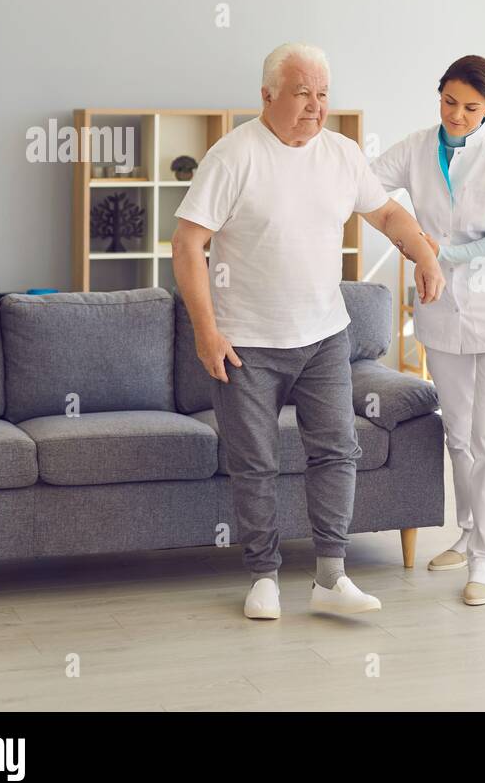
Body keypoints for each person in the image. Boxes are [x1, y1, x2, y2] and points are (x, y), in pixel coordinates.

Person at [172, 42, 445, 620]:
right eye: (301, 93)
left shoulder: (342, 155)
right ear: (268, 95)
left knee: (336, 452)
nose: (314, 106)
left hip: (323, 337)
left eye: (322, 94)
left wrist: (424, 254)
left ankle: (330, 577)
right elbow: (188, 243)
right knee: (255, 463)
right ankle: (263, 577)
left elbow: (387, 214)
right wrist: (206, 332)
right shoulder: (234, 156)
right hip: (247, 342)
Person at [371, 55, 485, 606]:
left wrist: (438, 251)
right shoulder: (418, 146)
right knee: (460, 435)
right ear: (438, 95)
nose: (458, 115)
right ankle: (467, 536)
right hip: (441, 312)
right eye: (449, 102)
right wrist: (407, 236)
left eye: (471, 107)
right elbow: (364, 183)